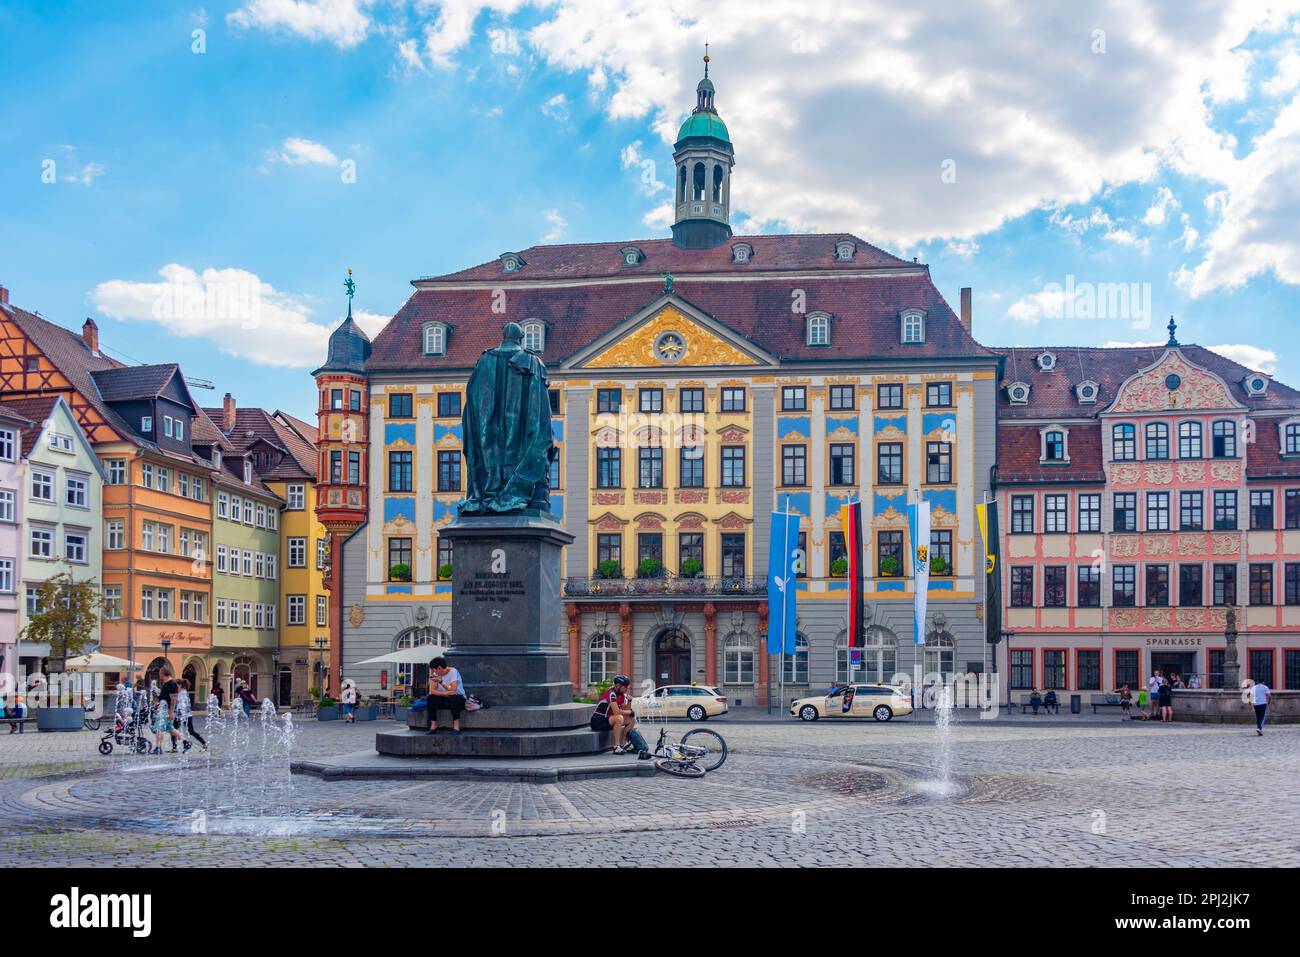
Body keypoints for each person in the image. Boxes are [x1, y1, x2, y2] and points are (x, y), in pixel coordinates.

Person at [591, 675, 637, 753]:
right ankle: (616, 746)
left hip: (609, 719)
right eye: (625, 687)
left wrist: (629, 701)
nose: (627, 689)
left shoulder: (621, 695)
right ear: (618, 686)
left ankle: (623, 743)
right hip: (598, 721)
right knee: (619, 718)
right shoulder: (611, 693)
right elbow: (617, 712)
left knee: (632, 719)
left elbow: (625, 711)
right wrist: (630, 712)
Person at [425, 657, 467, 735]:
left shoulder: (453, 671)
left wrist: (441, 681)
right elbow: (432, 691)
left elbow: (454, 690)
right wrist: (447, 693)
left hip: (458, 699)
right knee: (430, 698)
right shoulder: (435, 675)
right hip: (444, 698)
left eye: (434, 670)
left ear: (439, 668)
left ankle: (456, 726)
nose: (434, 672)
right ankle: (433, 726)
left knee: (454, 698)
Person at [159, 666, 189, 753]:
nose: (159, 675)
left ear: (163, 674)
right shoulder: (166, 683)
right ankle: (185, 742)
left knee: (159, 727)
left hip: (167, 711)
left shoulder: (172, 684)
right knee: (169, 728)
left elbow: (174, 699)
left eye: (160, 673)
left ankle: (158, 748)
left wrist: (171, 712)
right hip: (164, 710)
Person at [179, 679, 206, 751]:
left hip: (183, 715)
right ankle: (204, 743)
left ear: (180, 685)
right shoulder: (184, 692)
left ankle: (175, 747)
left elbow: (181, 705)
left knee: (174, 730)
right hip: (187, 715)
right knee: (191, 731)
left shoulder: (182, 693)